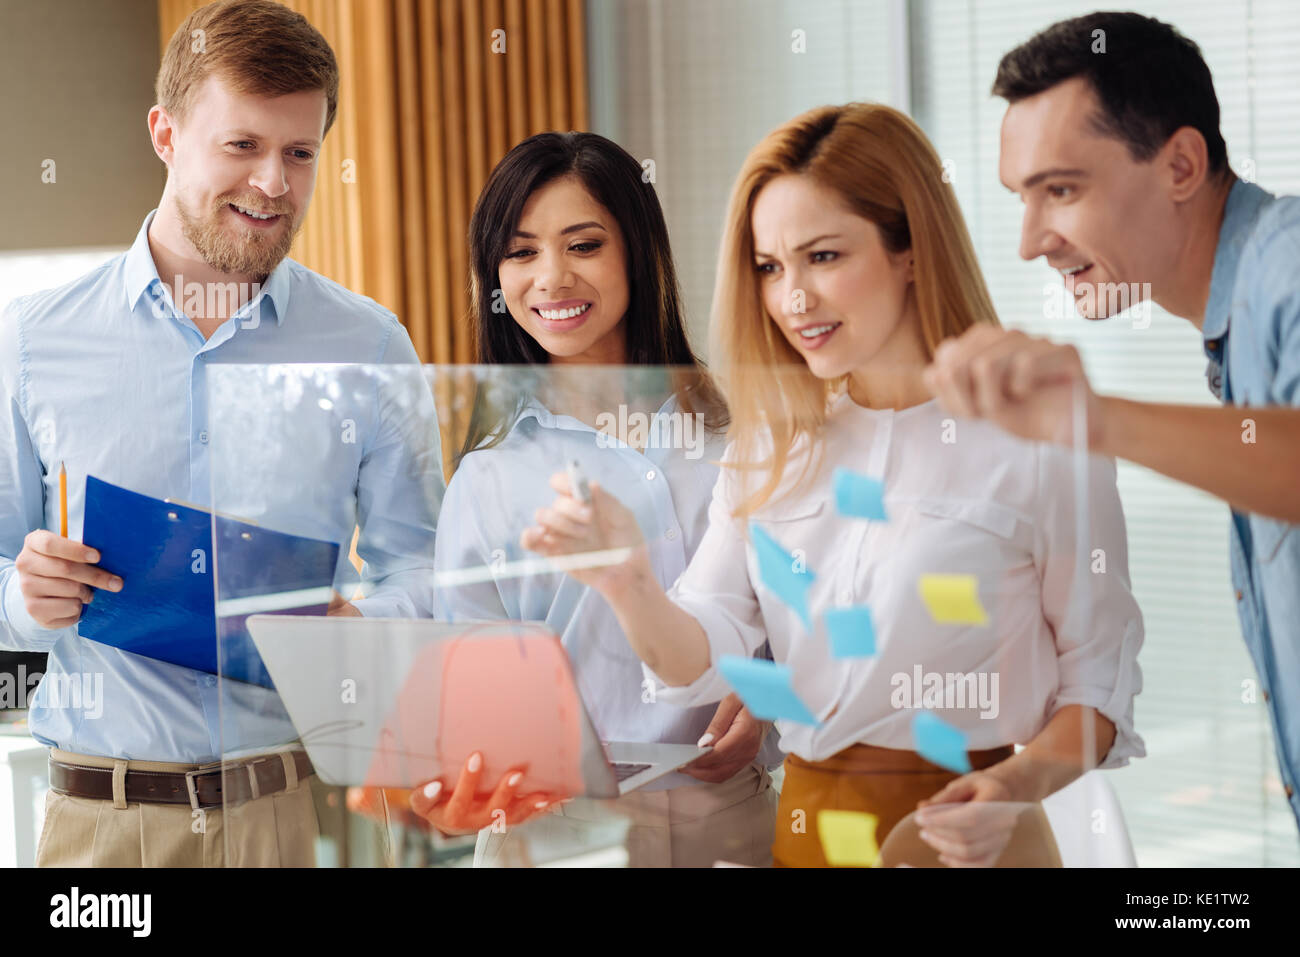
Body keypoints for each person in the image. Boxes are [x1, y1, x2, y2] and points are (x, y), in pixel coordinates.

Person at [521, 103, 1145, 867]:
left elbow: (1099, 691)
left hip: (973, 843)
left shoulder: (1042, 440)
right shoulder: (773, 448)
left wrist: (1014, 784)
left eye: (822, 257)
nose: (793, 300)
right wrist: (627, 583)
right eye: (770, 267)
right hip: (808, 839)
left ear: (910, 248)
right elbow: (698, 659)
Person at [0, 0, 442, 867]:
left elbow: (428, 570)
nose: (274, 182)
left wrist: (352, 617)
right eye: (242, 146)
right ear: (165, 134)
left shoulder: (371, 344)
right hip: (102, 827)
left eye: (300, 152)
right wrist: (24, 597)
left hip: (310, 815)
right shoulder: (29, 342)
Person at [923, 11, 1300, 830]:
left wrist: (1090, 418)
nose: (1030, 242)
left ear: (1181, 165)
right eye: (1022, 198)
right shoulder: (1237, 325)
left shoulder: (1287, 266)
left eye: (1061, 189)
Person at [407, 131, 782, 867]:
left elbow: (815, 619)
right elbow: (474, 697)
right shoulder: (487, 477)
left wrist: (772, 689)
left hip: (732, 815)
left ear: (637, 253)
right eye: (520, 253)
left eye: (583, 245)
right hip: (553, 832)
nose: (552, 277)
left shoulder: (745, 431)